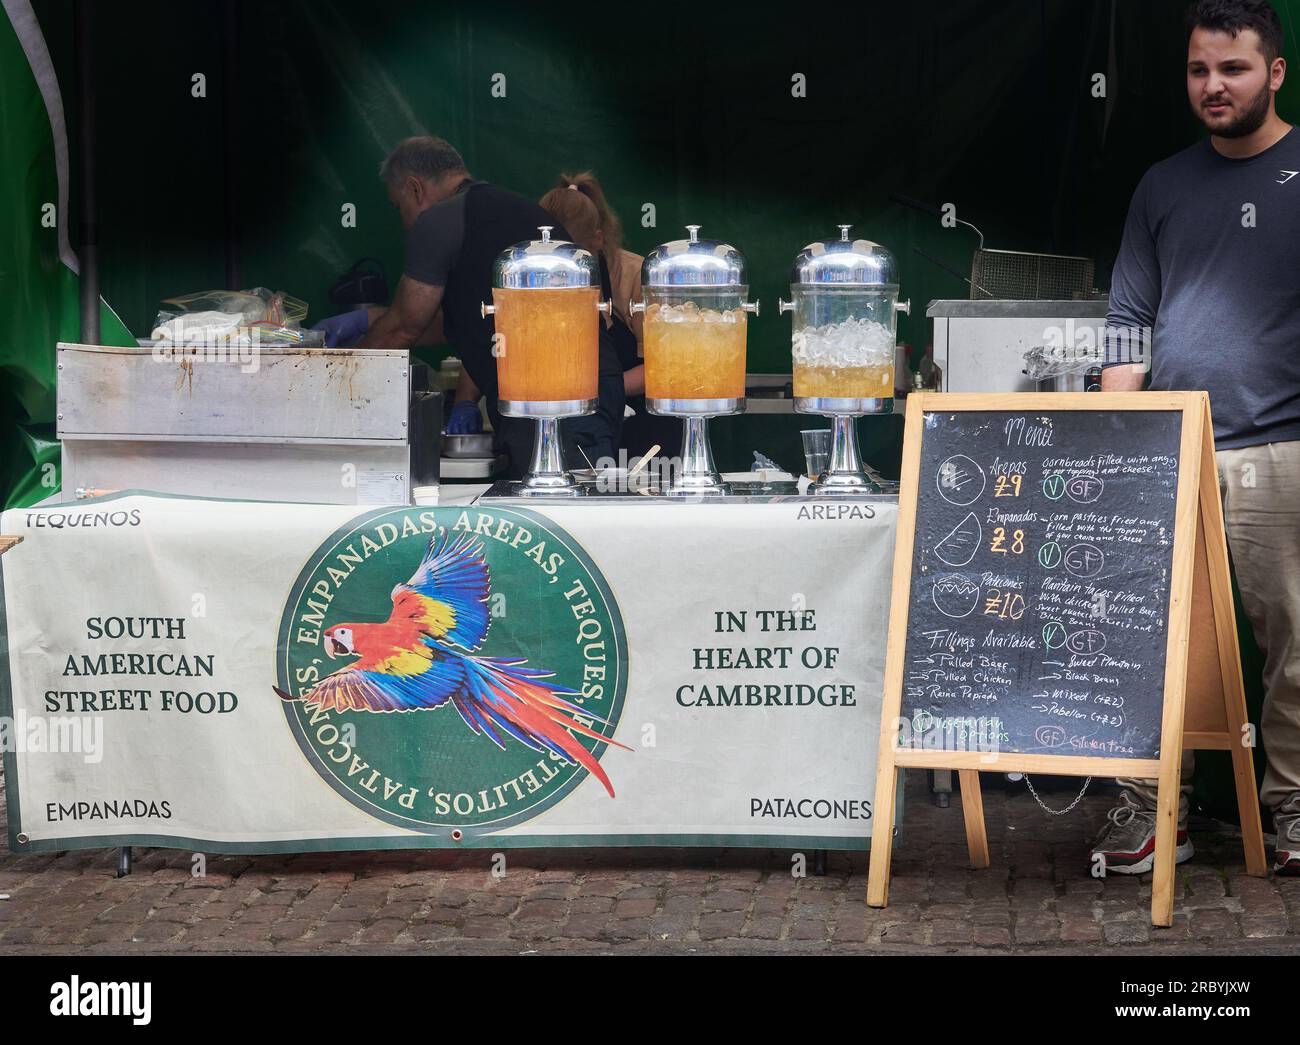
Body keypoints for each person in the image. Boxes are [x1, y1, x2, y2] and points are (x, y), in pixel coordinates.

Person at [1094, 0, 1300, 875]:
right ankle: (1154, 813)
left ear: (1275, 72)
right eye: (1198, 71)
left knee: (1293, 643)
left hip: (1279, 452)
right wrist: (1122, 442)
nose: (1213, 86)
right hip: (1167, 451)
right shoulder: (1163, 183)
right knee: (1142, 636)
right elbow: (1128, 324)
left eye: (1233, 69)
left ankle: (1291, 812)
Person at [312, 137, 623, 478]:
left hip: (556, 398)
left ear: (415, 189)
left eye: (397, 206)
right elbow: (463, 322)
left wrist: (336, 381)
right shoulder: (509, 209)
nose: (403, 221)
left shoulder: (438, 222)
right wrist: (368, 320)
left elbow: (406, 327)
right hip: (578, 389)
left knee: (565, 510)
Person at [539, 172, 680, 461]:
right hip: (569, 423)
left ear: (597, 239)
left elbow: (668, 368)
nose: (559, 268)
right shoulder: (536, 279)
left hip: (644, 433)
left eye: (571, 255)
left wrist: (599, 389)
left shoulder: (637, 276)